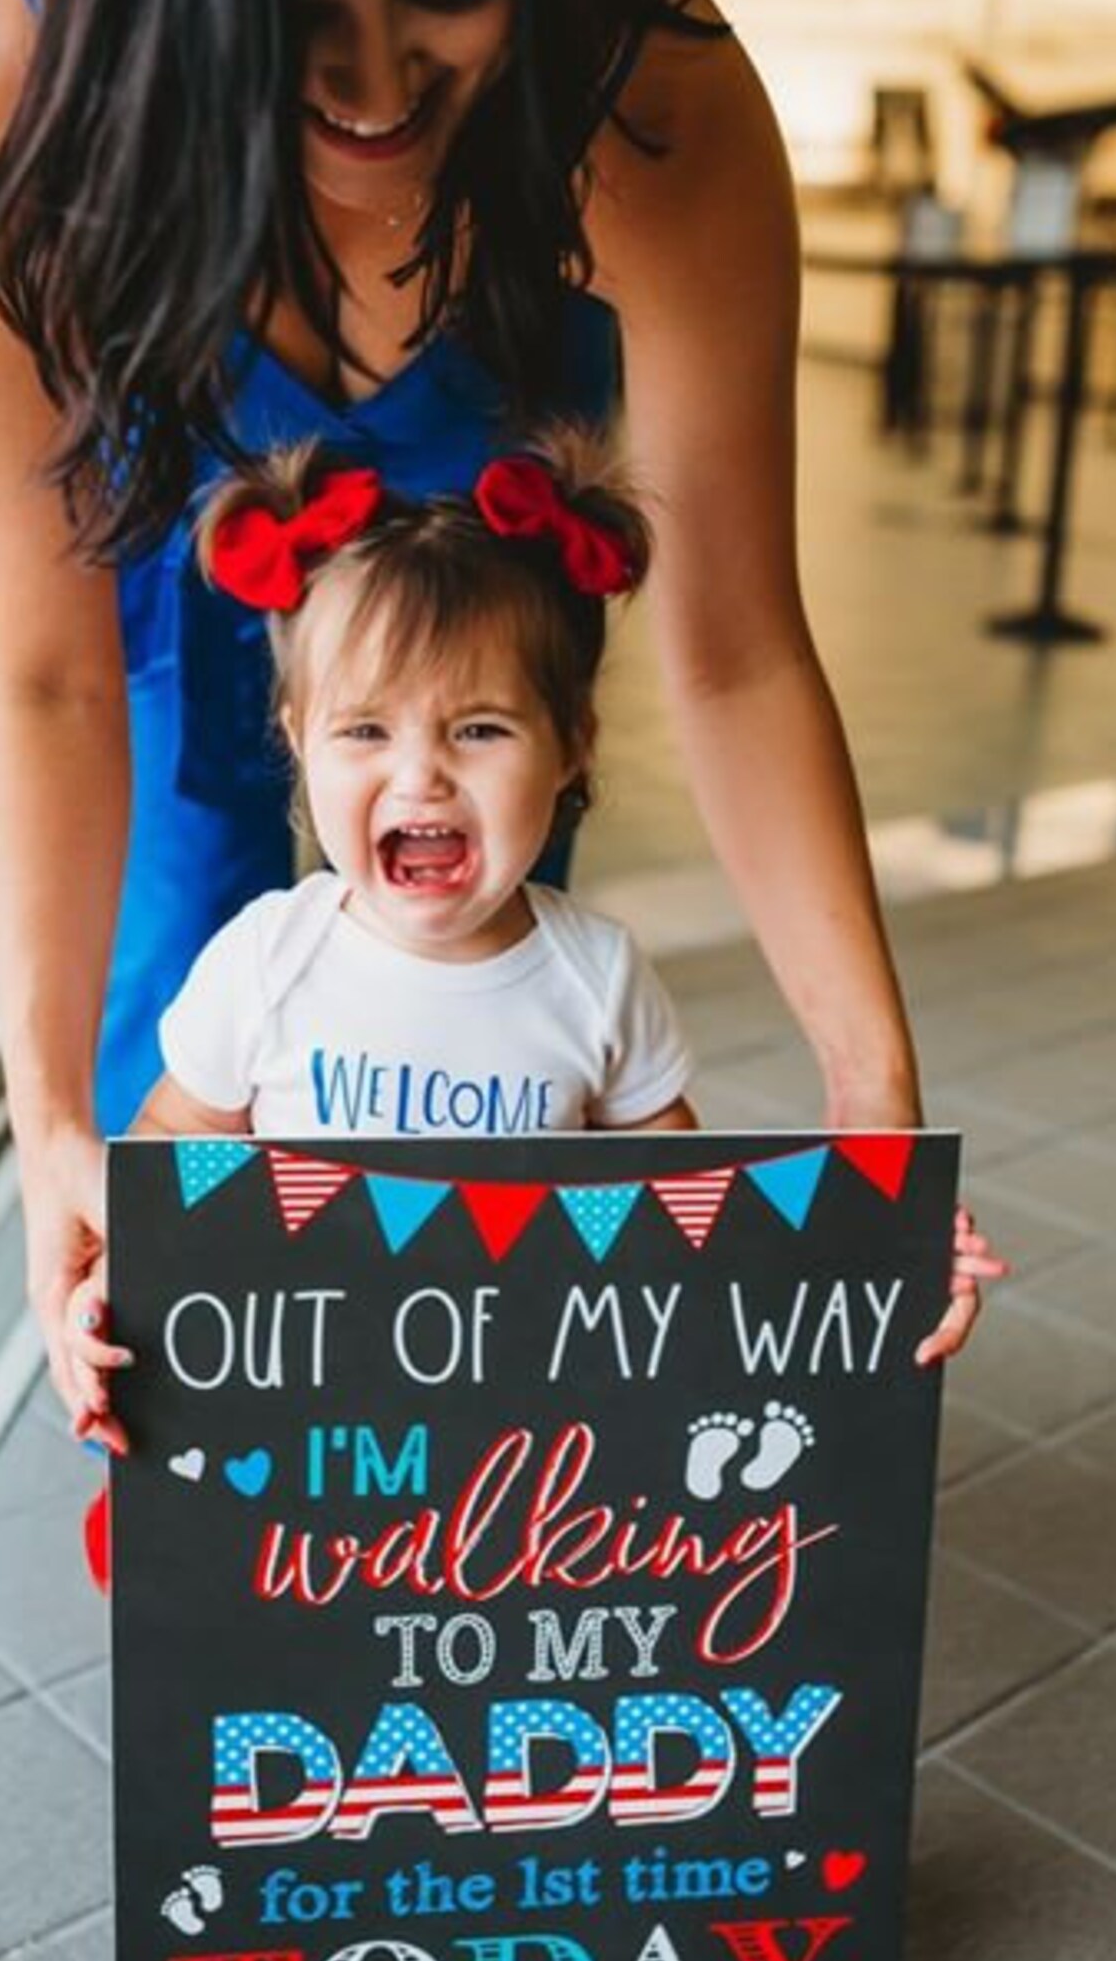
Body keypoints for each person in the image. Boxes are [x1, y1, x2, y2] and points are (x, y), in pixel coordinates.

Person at [0, 0, 1004, 1430]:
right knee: (186, 1041)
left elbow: (735, 645)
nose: (370, 85)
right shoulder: (1, 102)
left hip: (486, 552)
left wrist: (871, 1086)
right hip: (154, 610)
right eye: (289, 11)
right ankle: (243, 1525)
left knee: (483, 997)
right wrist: (53, 1125)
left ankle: (466, 1496)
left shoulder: (654, 94)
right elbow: (47, 674)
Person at [64, 427, 698, 1446]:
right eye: (365, 730)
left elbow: (685, 1203)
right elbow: (174, 1144)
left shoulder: (596, 976)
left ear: (572, 746)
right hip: (304, 1422)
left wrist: (870, 1250)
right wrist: (114, 1274)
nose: (419, 776)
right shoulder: (268, 959)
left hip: (518, 1427)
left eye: (480, 728)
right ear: (295, 738)